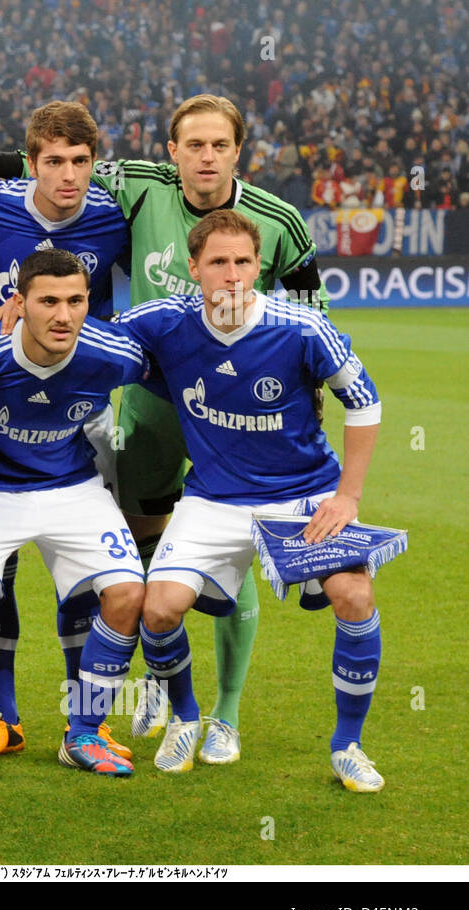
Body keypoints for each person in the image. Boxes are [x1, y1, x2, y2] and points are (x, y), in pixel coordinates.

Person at [0, 94, 326, 761]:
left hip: (232, 414)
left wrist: (305, 399)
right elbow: (52, 166)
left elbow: (312, 311)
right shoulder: (137, 191)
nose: (206, 156)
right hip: (138, 408)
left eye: (219, 145)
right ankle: (124, 687)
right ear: (172, 152)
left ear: (239, 149)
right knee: (132, 555)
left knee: (227, 554)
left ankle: (216, 714)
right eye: (192, 145)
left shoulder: (274, 218)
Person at [116, 210, 384, 791]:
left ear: (259, 268)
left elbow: (365, 402)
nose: (232, 275)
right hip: (213, 498)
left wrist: (348, 496)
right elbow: (89, 335)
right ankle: (186, 717)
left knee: (355, 597)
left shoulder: (301, 326)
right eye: (218, 262)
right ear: (194, 269)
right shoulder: (163, 320)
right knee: (158, 610)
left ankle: (348, 746)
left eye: (243, 262)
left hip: (304, 495)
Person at [0, 100, 132, 764]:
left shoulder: (115, 216)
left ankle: (86, 722)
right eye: (54, 161)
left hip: (79, 417)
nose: (68, 176)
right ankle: (0, 718)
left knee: (86, 580)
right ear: (32, 163)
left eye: (80, 162)